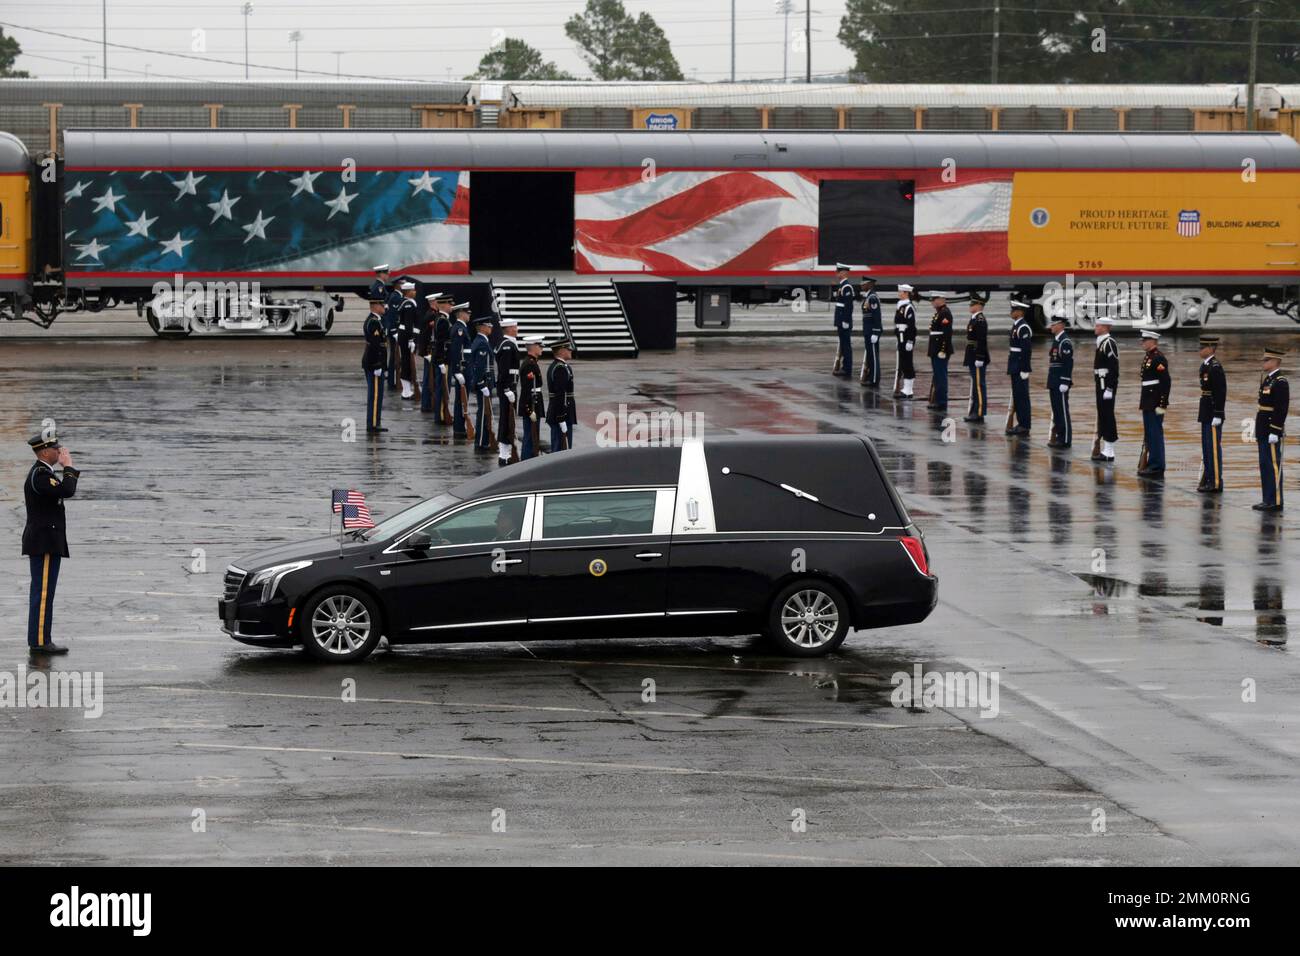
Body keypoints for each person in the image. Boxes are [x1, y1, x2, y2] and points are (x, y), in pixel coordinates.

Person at [24, 432, 80, 655]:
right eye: (56, 449)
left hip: (47, 541)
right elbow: (67, 490)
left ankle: (41, 638)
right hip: (44, 542)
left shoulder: (44, 473)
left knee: (44, 591)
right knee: (43, 592)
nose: (60, 451)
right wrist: (69, 467)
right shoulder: (40, 475)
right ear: (45, 452)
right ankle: (39, 641)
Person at [1254, 345, 1289, 512]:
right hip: (1263, 428)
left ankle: (1275, 500)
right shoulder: (1268, 379)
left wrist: (1275, 430)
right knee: (1264, 464)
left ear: (1276, 361)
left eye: (1267, 360)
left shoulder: (1280, 382)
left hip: (1271, 429)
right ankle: (1267, 499)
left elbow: (1281, 409)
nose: (1264, 362)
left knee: (1272, 465)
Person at [1137, 329, 1171, 477]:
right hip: (1147, 400)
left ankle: (1157, 465)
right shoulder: (1149, 357)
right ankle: (1152, 463)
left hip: (1156, 402)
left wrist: (1162, 404)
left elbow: (1166, 382)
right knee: (1149, 433)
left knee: (1155, 433)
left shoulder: (1158, 358)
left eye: (1145, 340)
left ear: (1152, 341)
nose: (1142, 342)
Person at [1197, 335, 1227, 494]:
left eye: (1203, 347)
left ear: (1211, 348)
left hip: (1213, 411)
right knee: (1206, 447)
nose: (1200, 350)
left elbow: (1220, 392)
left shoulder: (1215, 367)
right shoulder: (1206, 365)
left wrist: (1218, 413)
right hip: (1206, 410)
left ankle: (1215, 481)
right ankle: (1208, 478)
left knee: (1213, 448)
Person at [1091, 317, 1119, 464]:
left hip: (1105, 385)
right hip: (1100, 383)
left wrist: (1109, 388)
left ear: (1105, 327)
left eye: (1098, 325)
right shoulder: (1101, 342)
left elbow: (1114, 368)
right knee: (1103, 415)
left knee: (1108, 416)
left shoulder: (1109, 343)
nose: (1095, 327)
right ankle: (1106, 449)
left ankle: (1109, 451)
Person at [467, 317, 496, 453]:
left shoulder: (481, 341)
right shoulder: (482, 343)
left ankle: (483, 441)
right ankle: (481, 442)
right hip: (484, 383)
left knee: (485, 413)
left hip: (485, 383)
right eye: (488, 325)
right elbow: (479, 367)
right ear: (482, 327)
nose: (491, 327)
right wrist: (481, 384)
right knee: (484, 413)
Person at [1005, 296, 1033, 436]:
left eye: (1014, 310)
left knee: (1022, 396)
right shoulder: (1017, 325)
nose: (1011, 312)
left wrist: (1025, 368)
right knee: (1017, 395)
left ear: (1020, 312)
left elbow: (1026, 350)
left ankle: (1025, 425)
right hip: (1015, 364)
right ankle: (1021, 423)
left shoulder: (1023, 327)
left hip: (1020, 366)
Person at [1046, 311, 1074, 449]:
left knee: (1062, 410)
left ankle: (1065, 439)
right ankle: (1059, 436)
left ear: (1061, 325)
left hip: (1060, 382)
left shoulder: (1065, 342)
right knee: (1057, 410)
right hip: (1054, 381)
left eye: (1054, 324)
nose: (1051, 326)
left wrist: (1065, 381)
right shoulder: (1057, 340)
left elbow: (1068, 364)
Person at [495, 319, 521, 466]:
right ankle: (504, 453)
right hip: (508, 388)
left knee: (508, 418)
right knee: (506, 419)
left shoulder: (508, 344)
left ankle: (506, 451)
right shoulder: (507, 345)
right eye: (514, 327)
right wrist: (507, 390)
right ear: (508, 329)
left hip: (510, 386)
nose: (517, 329)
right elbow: (504, 371)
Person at [362, 293, 388, 434]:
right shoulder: (373, 322)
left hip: (373, 363)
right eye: (382, 305)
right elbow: (374, 346)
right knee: (375, 396)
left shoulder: (375, 320)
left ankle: (375, 422)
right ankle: (372, 424)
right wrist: (377, 365)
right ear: (375, 306)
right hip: (373, 364)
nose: (384, 307)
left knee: (376, 395)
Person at [962, 293, 990, 423]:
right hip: (972, 354)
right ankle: (974, 410)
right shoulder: (974, 319)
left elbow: (981, 340)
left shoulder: (980, 320)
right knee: (975, 385)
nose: (970, 306)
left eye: (973, 304)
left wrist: (980, 357)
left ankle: (979, 412)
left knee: (979, 385)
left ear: (979, 306)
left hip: (977, 356)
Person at [518, 335, 546, 460]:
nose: (542, 348)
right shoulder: (529, 364)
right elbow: (527, 391)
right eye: (539, 346)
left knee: (532, 435)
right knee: (530, 436)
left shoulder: (532, 362)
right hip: (531, 405)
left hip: (534, 403)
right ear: (533, 347)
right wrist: (529, 410)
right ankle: (526, 461)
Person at [546, 338, 576, 451]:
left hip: (560, 411)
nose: (570, 351)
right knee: (560, 448)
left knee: (560, 445)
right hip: (562, 413)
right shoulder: (560, 368)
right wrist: (561, 417)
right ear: (561, 351)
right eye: (568, 349)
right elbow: (560, 394)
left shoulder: (559, 366)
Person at [926, 292, 953, 411]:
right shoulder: (939, 313)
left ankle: (941, 401)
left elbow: (946, 334)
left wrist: (943, 350)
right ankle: (937, 399)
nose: (932, 301)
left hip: (940, 350)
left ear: (941, 299)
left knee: (941, 376)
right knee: (937, 375)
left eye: (934, 299)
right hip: (935, 348)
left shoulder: (945, 313)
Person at [447, 302, 472, 437]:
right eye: (467, 313)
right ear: (461, 314)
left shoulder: (462, 328)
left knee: (463, 398)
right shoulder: (459, 329)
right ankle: (459, 428)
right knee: (461, 399)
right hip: (462, 368)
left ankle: (460, 426)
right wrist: (457, 371)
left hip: (464, 367)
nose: (469, 315)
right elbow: (456, 351)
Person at [417, 292, 442, 413]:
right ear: (434, 302)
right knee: (428, 378)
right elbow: (424, 335)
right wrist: (425, 352)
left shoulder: (434, 314)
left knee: (430, 377)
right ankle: (426, 404)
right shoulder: (431, 315)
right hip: (429, 351)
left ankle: (428, 404)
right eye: (438, 301)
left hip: (430, 350)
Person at [396, 281, 419, 400]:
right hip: (406, 335)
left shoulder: (403, 302)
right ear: (408, 292)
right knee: (406, 361)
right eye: (413, 290)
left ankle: (407, 389)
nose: (415, 292)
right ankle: (406, 391)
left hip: (403, 334)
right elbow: (409, 324)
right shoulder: (408, 304)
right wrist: (411, 339)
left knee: (407, 361)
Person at [893, 283, 917, 399]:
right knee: (903, 361)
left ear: (906, 293)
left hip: (906, 337)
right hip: (901, 336)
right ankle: (906, 388)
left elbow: (911, 326)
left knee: (907, 362)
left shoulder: (908, 307)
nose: (899, 293)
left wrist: (910, 341)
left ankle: (909, 390)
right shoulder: (901, 305)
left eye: (901, 292)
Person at [859, 275, 883, 386]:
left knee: (873, 356)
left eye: (864, 283)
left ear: (870, 284)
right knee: (870, 355)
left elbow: (876, 316)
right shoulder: (868, 297)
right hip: (868, 330)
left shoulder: (872, 298)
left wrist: (875, 332)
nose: (861, 285)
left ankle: (874, 379)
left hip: (872, 331)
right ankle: (870, 376)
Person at [831, 263, 854, 378]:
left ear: (844, 273)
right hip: (840, 319)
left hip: (844, 320)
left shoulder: (846, 287)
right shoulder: (842, 286)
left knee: (846, 345)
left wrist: (845, 320)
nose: (837, 274)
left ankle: (847, 368)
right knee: (843, 345)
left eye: (839, 272)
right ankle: (845, 367)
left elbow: (848, 306)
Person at [383, 275, 405, 391]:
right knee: (394, 357)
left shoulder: (397, 296)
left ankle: (394, 381)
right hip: (394, 331)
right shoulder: (395, 297)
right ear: (397, 285)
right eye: (402, 283)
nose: (404, 286)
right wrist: (393, 331)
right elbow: (392, 316)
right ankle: (392, 382)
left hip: (396, 331)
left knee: (395, 356)